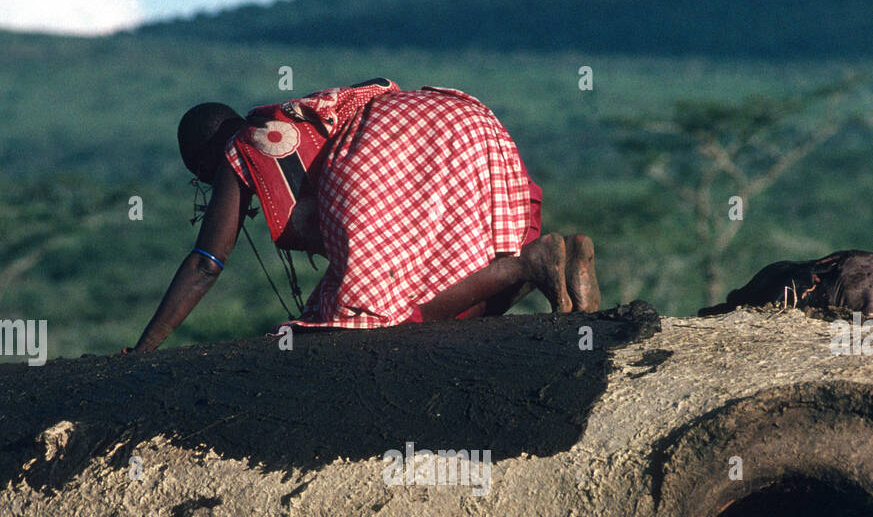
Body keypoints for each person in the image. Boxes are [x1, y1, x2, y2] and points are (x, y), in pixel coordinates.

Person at [127, 78, 599, 352]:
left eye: (204, 179)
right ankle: (555, 258)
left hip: (387, 144)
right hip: (458, 115)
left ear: (206, 159)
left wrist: (144, 348)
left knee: (378, 318)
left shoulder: (242, 147)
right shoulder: (298, 116)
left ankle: (527, 264)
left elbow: (206, 262)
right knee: (460, 283)